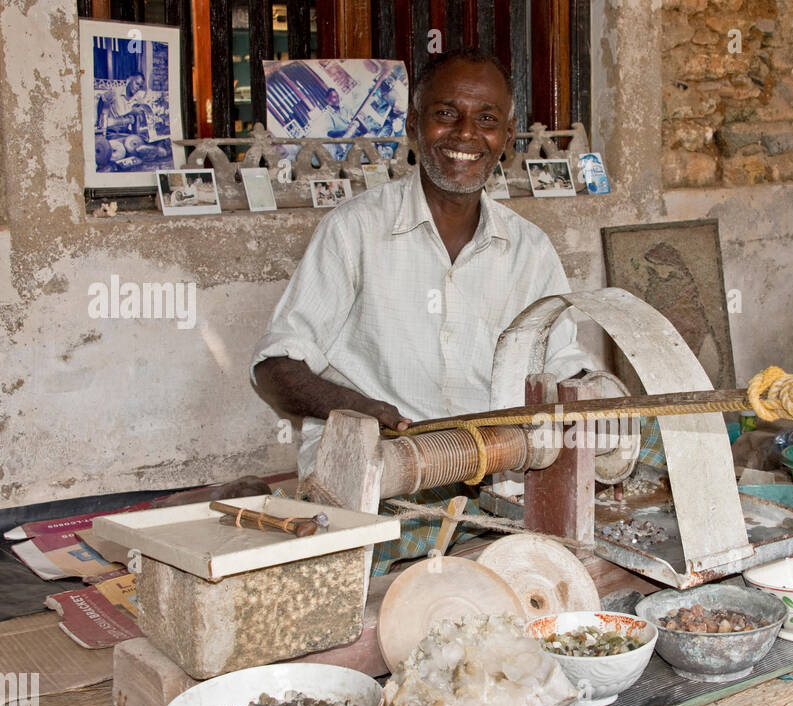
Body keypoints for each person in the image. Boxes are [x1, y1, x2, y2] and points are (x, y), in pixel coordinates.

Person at [251, 50, 595, 567]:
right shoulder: (355, 230)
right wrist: (364, 412)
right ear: (414, 125)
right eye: (445, 113)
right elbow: (275, 368)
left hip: (495, 483)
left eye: (486, 119)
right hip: (379, 484)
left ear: (508, 133)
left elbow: (567, 369)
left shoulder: (530, 250)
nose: (464, 135)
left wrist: (594, 403)